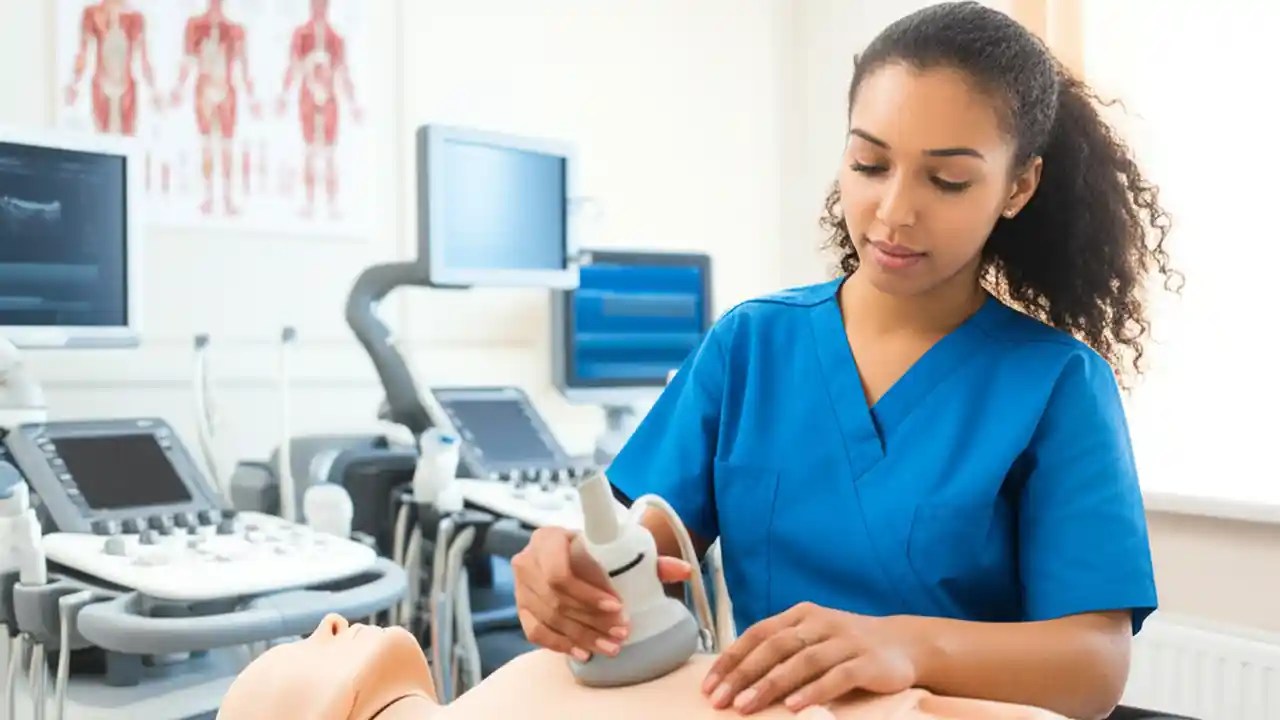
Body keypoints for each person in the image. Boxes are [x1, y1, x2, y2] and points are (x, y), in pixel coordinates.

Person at [510, 3, 1179, 719]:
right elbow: (642, 552)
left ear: (1017, 187)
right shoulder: (750, 346)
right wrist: (577, 580)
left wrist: (906, 648)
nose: (893, 211)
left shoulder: (1056, 386)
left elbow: (1094, 668)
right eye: (869, 163)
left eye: (947, 180)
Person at [215, 614, 1070, 719]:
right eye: (298, 649)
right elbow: (655, 509)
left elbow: (1096, 665)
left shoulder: (505, 683)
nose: (327, 620)